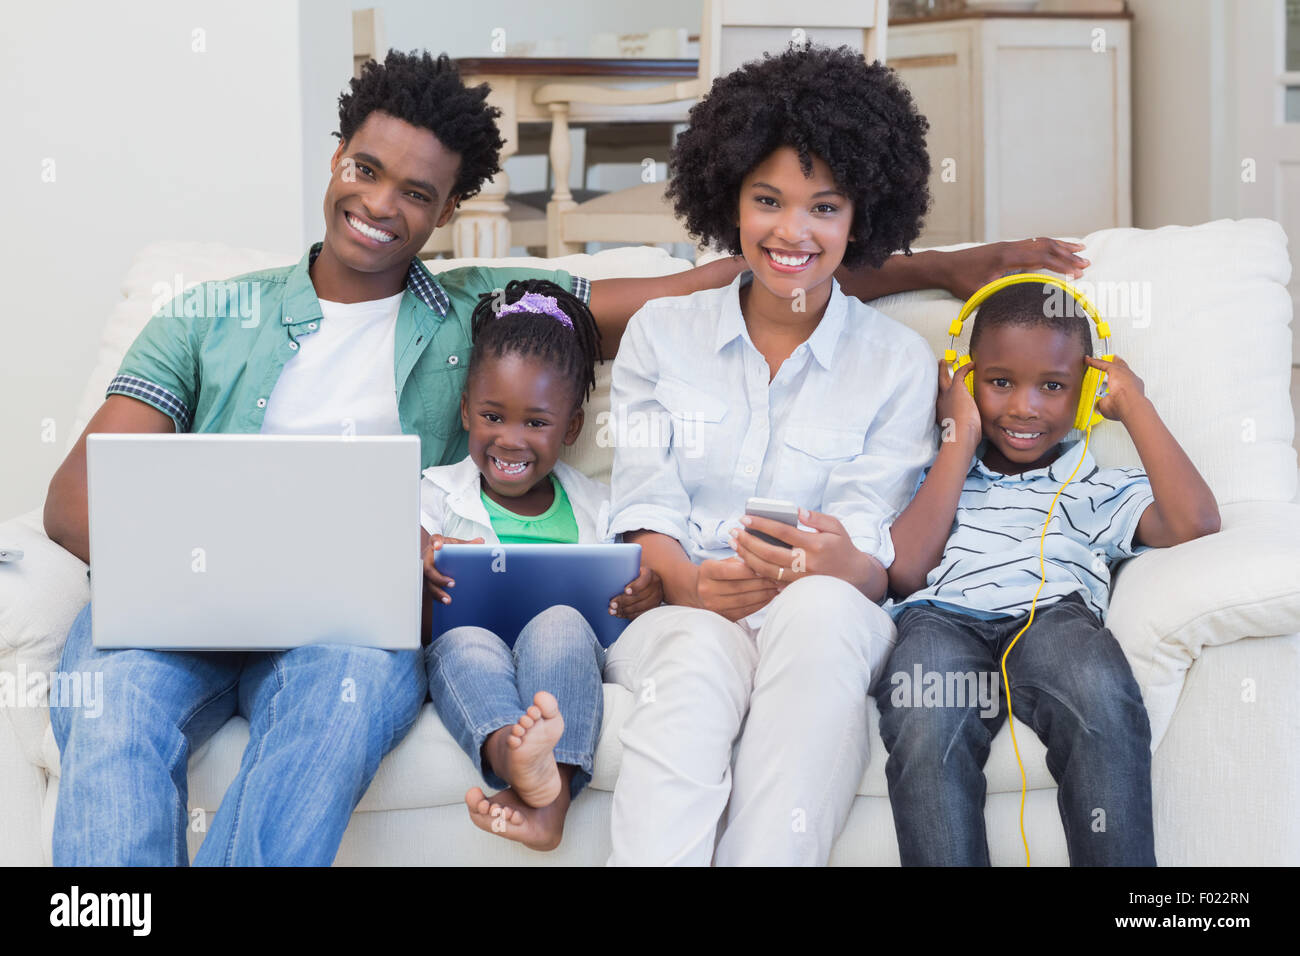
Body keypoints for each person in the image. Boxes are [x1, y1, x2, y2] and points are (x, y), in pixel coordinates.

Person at [41, 46, 1087, 866]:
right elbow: (76, 505)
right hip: (188, 591)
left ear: (446, 212)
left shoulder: (482, 311)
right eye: (366, 171)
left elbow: (751, 272)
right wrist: (285, 539)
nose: (380, 203)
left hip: (352, 615)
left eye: (415, 191)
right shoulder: (205, 318)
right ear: (335, 163)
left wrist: (953, 265)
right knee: (116, 707)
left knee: (336, 713)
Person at [604, 44, 940, 865]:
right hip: (685, 606)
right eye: (768, 201)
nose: (792, 232)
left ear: (863, 218)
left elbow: (876, 563)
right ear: (729, 201)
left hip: (821, 611)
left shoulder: (898, 363)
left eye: (824, 207)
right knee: (692, 653)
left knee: (822, 612)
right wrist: (694, 585)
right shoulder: (660, 335)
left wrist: (830, 566)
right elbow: (643, 504)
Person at [876, 279, 1220, 866]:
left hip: (1053, 619)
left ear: (1085, 395)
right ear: (964, 378)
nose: (1024, 407)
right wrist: (958, 436)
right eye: (1000, 382)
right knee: (923, 718)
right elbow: (908, 572)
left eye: (1054, 387)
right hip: (940, 621)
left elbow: (1195, 523)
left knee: (1101, 700)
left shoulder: (1094, 483)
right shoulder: (933, 473)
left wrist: (1134, 405)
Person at [419, 279, 661, 851]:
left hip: (561, 651)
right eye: (493, 417)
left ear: (571, 429)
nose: (510, 440)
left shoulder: (600, 510)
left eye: (536, 423)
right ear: (465, 412)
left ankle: (553, 796)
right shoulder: (430, 496)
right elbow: (394, 572)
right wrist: (420, 555)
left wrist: (645, 594)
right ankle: (510, 750)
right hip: (468, 643)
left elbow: (628, 592)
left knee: (562, 621)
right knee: (463, 643)